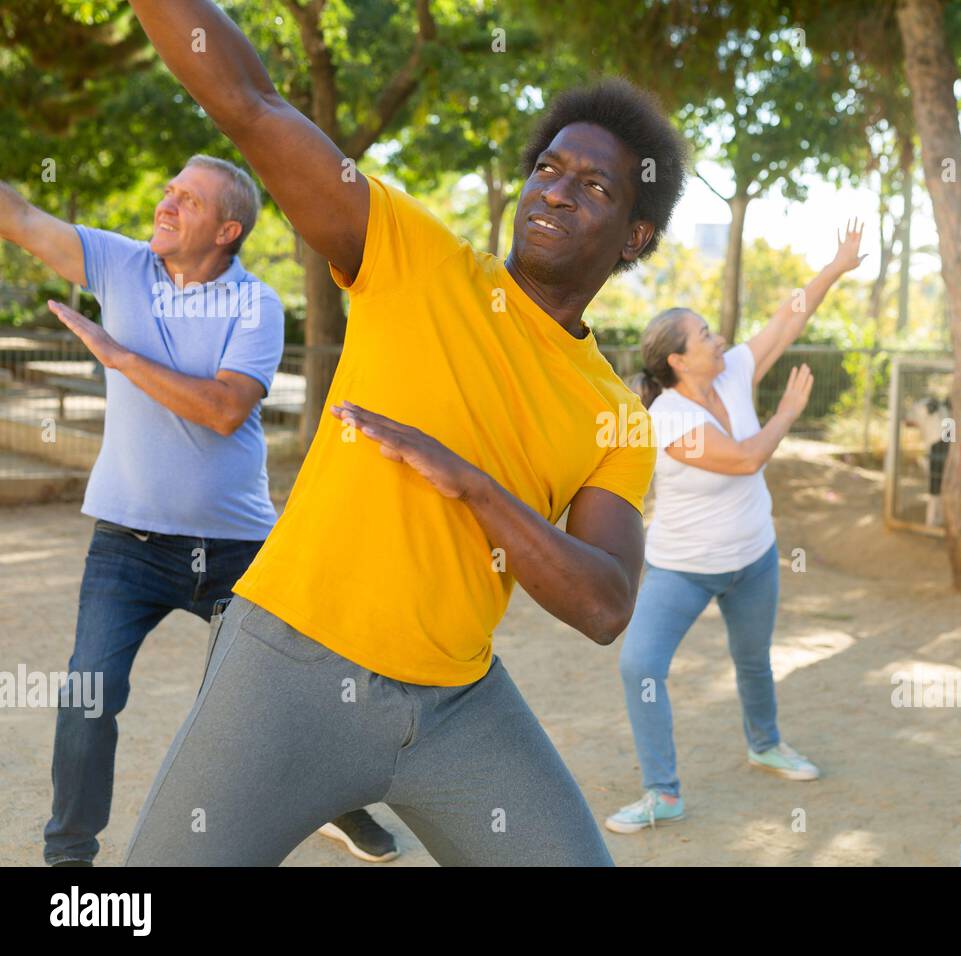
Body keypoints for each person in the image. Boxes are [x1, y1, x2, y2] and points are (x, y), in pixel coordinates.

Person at [123, 0, 687, 866]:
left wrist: (474, 487)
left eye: (595, 186)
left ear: (634, 237)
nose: (557, 191)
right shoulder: (412, 256)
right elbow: (251, 104)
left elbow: (606, 605)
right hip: (287, 666)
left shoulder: (611, 412)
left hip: (457, 708)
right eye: (549, 168)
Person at [0, 158, 397, 865]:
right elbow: (21, 218)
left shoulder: (256, 305)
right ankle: (69, 857)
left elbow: (223, 409)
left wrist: (117, 357)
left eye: (188, 198)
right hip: (127, 543)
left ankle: (338, 802)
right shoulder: (120, 265)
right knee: (88, 699)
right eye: (169, 189)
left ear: (228, 229)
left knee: (287, 692)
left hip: (236, 547)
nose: (166, 201)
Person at [605, 221, 865, 833]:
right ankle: (663, 793)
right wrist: (787, 415)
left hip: (754, 557)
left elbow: (788, 319)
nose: (719, 337)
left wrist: (835, 266)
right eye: (704, 335)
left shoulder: (731, 371)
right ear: (676, 359)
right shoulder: (667, 417)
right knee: (639, 665)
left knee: (753, 661)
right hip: (682, 568)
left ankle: (765, 744)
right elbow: (745, 457)